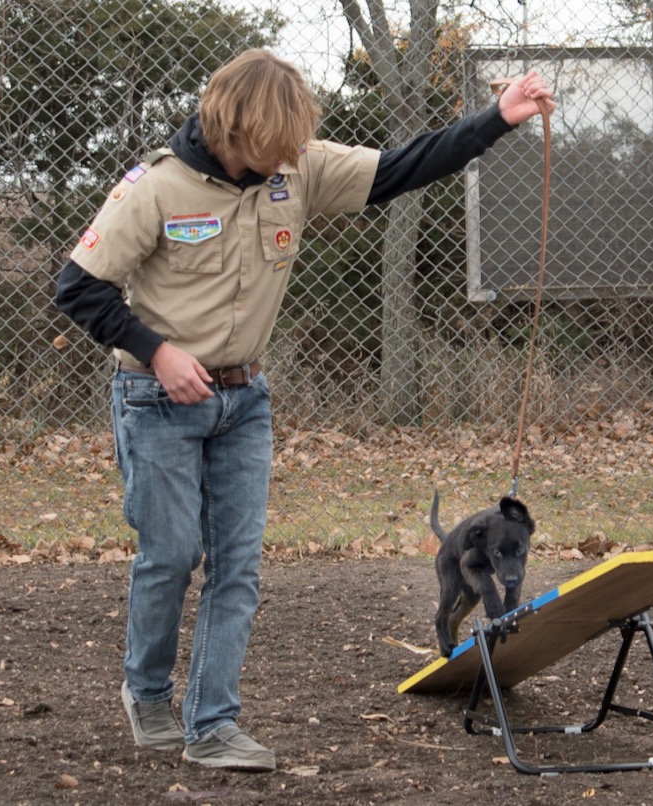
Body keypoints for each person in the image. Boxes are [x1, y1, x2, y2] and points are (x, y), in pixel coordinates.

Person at [53, 48, 554, 771]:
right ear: (230, 127)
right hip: (156, 400)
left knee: (239, 568)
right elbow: (78, 286)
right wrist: (156, 351)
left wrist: (497, 122)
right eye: (274, 144)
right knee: (169, 558)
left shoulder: (297, 167)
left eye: (295, 144)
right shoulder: (154, 189)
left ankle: (213, 725)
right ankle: (147, 692)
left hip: (243, 403)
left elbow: (402, 167)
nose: (288, 157)